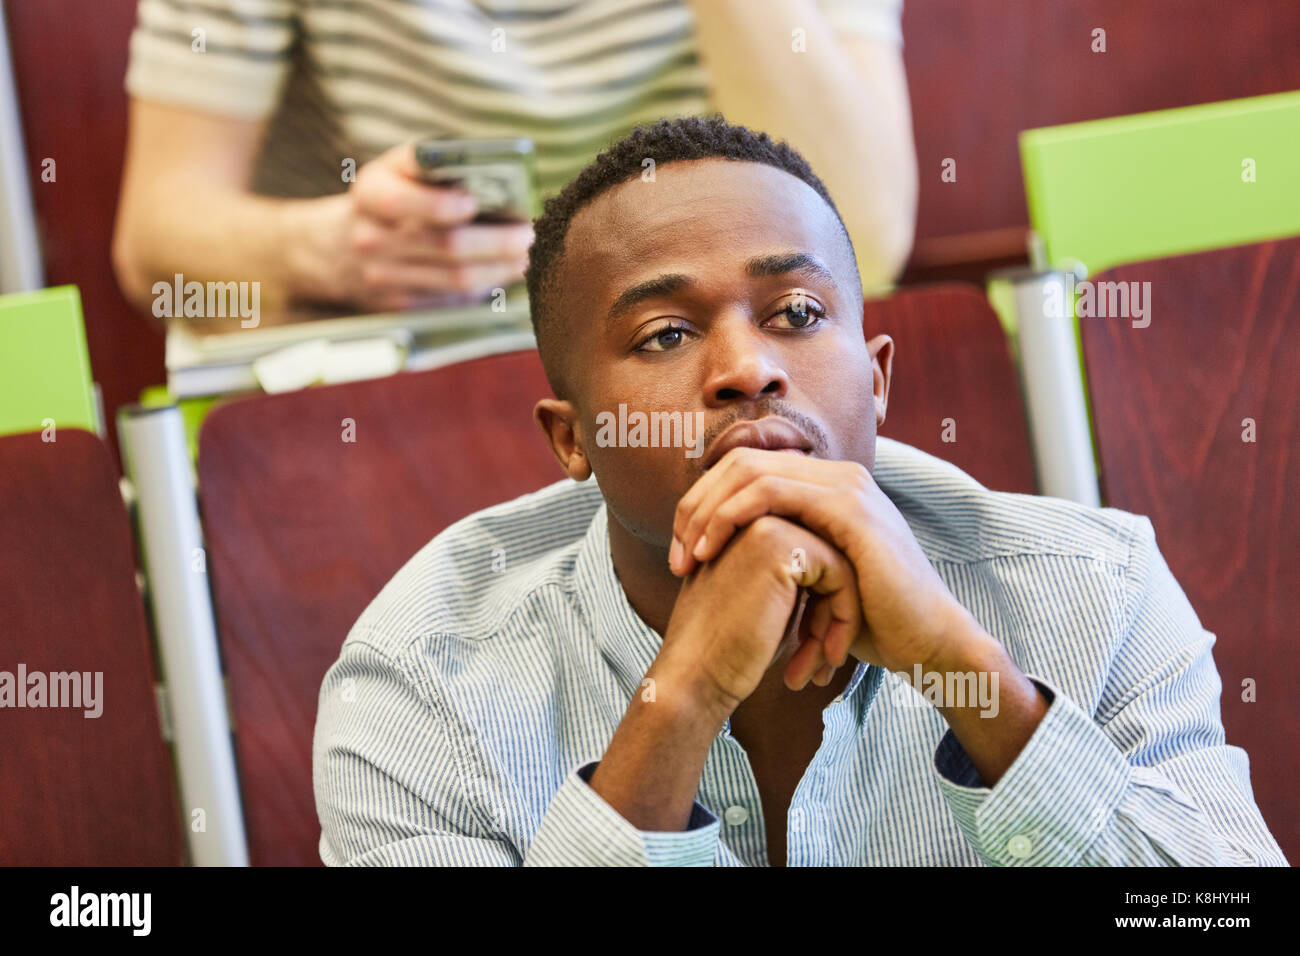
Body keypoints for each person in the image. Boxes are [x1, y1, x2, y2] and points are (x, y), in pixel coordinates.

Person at [312, 114, 1287, 866]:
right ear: (573, 439)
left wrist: (956, 662)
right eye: (664, 334)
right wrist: (680, 696)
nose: (747, 369)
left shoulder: (1092, 588)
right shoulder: (422, 682)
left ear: (877, 381)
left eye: (796, 311)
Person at [112, 0, 916, 319]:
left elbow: (865, 241)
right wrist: (339, 249)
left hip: (722, 373)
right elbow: (157, 242)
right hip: (419, 399)